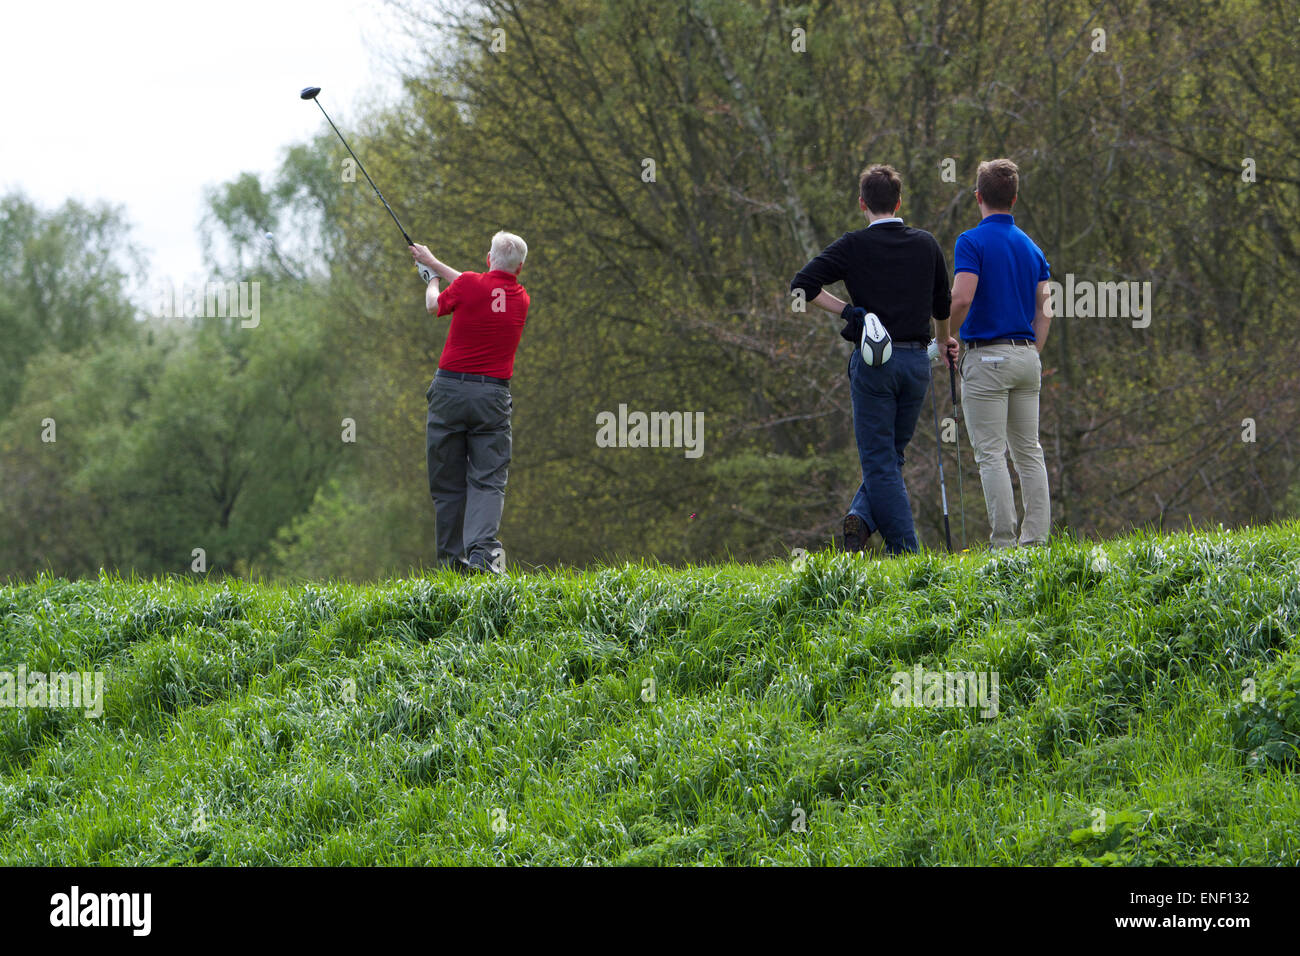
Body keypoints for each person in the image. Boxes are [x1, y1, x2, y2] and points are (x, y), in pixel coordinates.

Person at [790, 164, 954, 555]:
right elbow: (943, 304)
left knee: (880, 462)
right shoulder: (926, 244)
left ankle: (907, 554)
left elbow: (802, 286)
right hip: (916, 364)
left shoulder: (853, 246)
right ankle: (861, 519)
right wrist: (945, 342)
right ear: (899, 202)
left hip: (874, 363)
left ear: (862, 203)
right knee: (891, 457)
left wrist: (849, 312)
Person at [409, 232, 530, 574]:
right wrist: (432, 263)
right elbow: (473, 284)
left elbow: (435, 305)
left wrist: (431, 279)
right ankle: (483, 557)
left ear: (488, 258)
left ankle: (450, 563)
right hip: (492, 397)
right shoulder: (521, 299)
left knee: (447, 482)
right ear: (519, 268)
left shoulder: (469, 285)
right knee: (488, 480)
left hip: (449, 391)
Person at [948, 158, 1052, 549]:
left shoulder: (970, 242)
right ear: (1015, 197)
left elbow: (961, 297)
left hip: (986, 358)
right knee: (1029, 452)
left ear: (978, 197)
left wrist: (945, 335)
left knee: (991, 453)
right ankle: (1035, 541)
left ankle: (1004, 544)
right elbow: (1046, 308)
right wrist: (1032, 351)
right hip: (1027, 358)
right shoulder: (1032, 247)